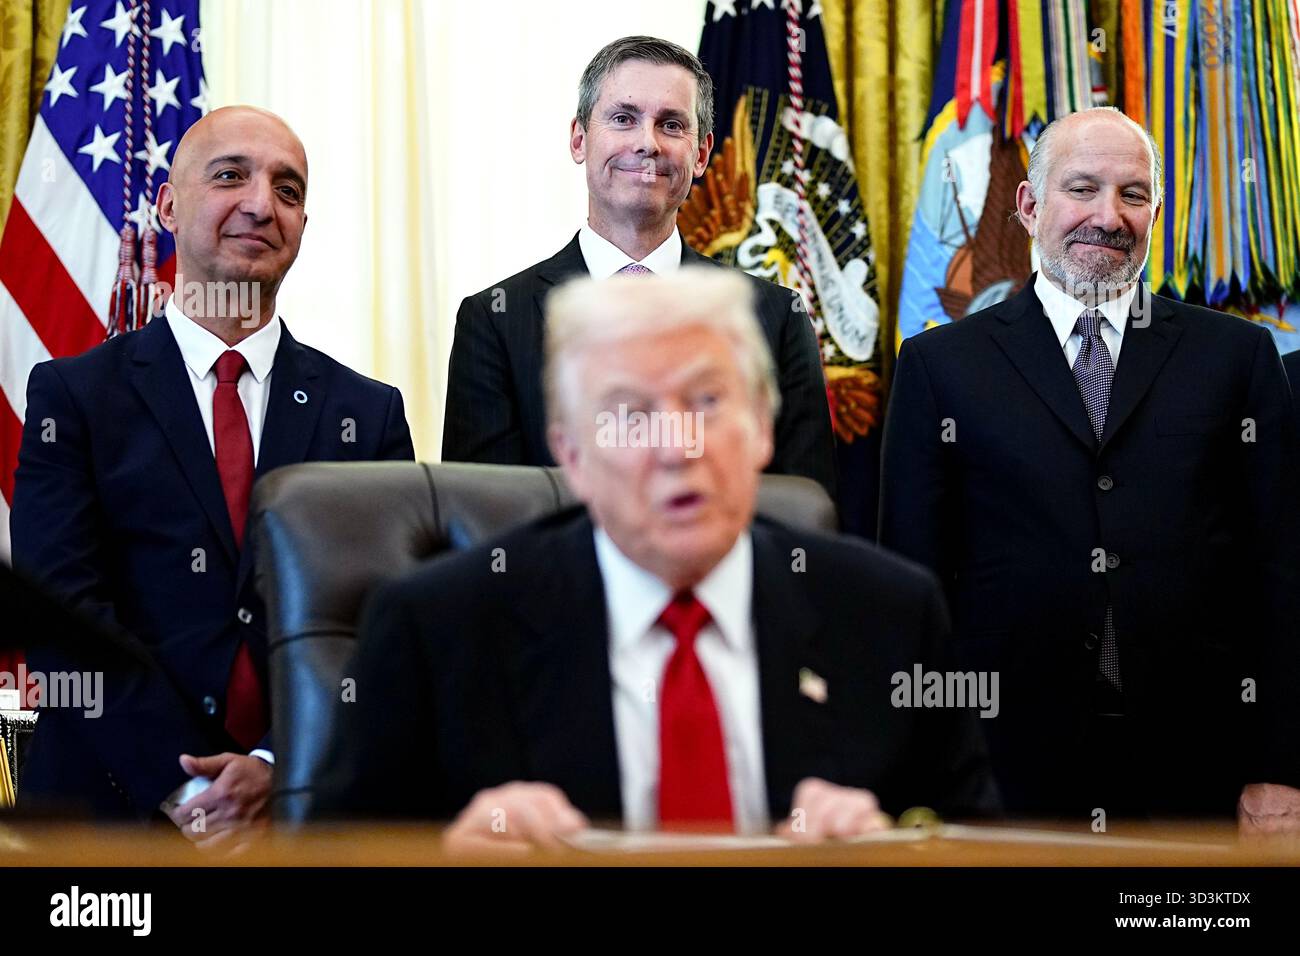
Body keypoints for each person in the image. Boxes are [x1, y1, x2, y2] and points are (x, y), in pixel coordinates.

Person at [315, 268, 995, 851]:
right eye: (628, 414)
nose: (677, 447)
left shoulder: (889, 618)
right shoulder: (437, 630)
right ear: (571, 454)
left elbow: (982, 858)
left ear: (762, 426)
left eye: (706, 401)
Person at [879, 107, 1300, 828]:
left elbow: (1285, 573)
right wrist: (918, 772)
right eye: (1082, 188)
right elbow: (913, 588)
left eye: (1133, 195)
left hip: (1199, 774)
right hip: (998, 775)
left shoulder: (1239, 358)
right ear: (1030, 204)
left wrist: (1281, 767)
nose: (1107, 216)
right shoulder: (937, 367)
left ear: (1157, 213)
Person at [11, 106, 415, 845]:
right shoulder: (74, 397)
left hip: (300, 816)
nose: (262, 203)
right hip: (106, 819)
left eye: (288, 190)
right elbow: (60, 615)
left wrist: (276, 765)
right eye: (231, 176)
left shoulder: (369, 413)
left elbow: (385, 628)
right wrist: (187, 784)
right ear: (167, 207)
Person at [441, 35, 836, 496]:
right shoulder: (495, 322)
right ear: (579, 139)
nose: (647, 143)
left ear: (702, 154)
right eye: (624, 119)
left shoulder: (775, 317)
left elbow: (802, 510)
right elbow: (489, 517)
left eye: (671, 125)